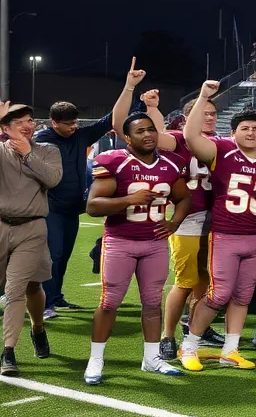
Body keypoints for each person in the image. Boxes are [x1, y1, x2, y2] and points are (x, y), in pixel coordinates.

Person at [178, 81, 256, 372]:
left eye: (255, 129)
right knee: (219, 294)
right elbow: (190, 136)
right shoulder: (222, 151)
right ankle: (188, 346)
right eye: (245, 129)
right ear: (234, 133)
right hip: (225, 234)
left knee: (241, 296)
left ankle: (230, 350)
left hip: (254, 237)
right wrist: (202, 96)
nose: (251, 133)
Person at [82, 113, 191, 384]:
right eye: (140, 131)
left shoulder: (170, 164)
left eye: (151, 129)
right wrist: (129, 199)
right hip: (121, 241)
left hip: (154, 243)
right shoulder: (115, 161)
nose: (147, 135)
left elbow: (184, 197)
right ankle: (96, 359)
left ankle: (151, 359)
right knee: (109, 303)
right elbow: (93, 206)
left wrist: (174, 222)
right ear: (127, 138)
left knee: (153, 304)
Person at [33, 61, 142, 319]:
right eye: (67, 124)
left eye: (75, 123)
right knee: (53, 254)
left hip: (72, 208)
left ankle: (56, 297)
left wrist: (129, 87)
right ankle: (44, 302)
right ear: (53, 122)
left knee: (64, 255)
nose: (73, 127)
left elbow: (113, 120)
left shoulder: (80, 136)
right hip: (50, 207)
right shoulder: (41, 140)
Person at [0, 92, 63, 376]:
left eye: (30, 120)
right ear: (4, 128)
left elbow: (53, 180)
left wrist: (28, 154)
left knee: (18, 289)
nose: (27, 125)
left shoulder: (48, 151)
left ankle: (10, 349)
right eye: (17, 121)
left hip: (32, 227)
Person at [151, 91, 228, 359]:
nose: (209, 117)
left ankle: (195, 330)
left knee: (206, 280)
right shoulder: (177, 139)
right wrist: (152, 108)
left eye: (212, 113)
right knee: (185, 281)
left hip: (216, 219)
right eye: (203, 113)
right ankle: (167, 335)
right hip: (187, 219)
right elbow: (154, 135)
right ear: (187, 118)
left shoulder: (219, 142)